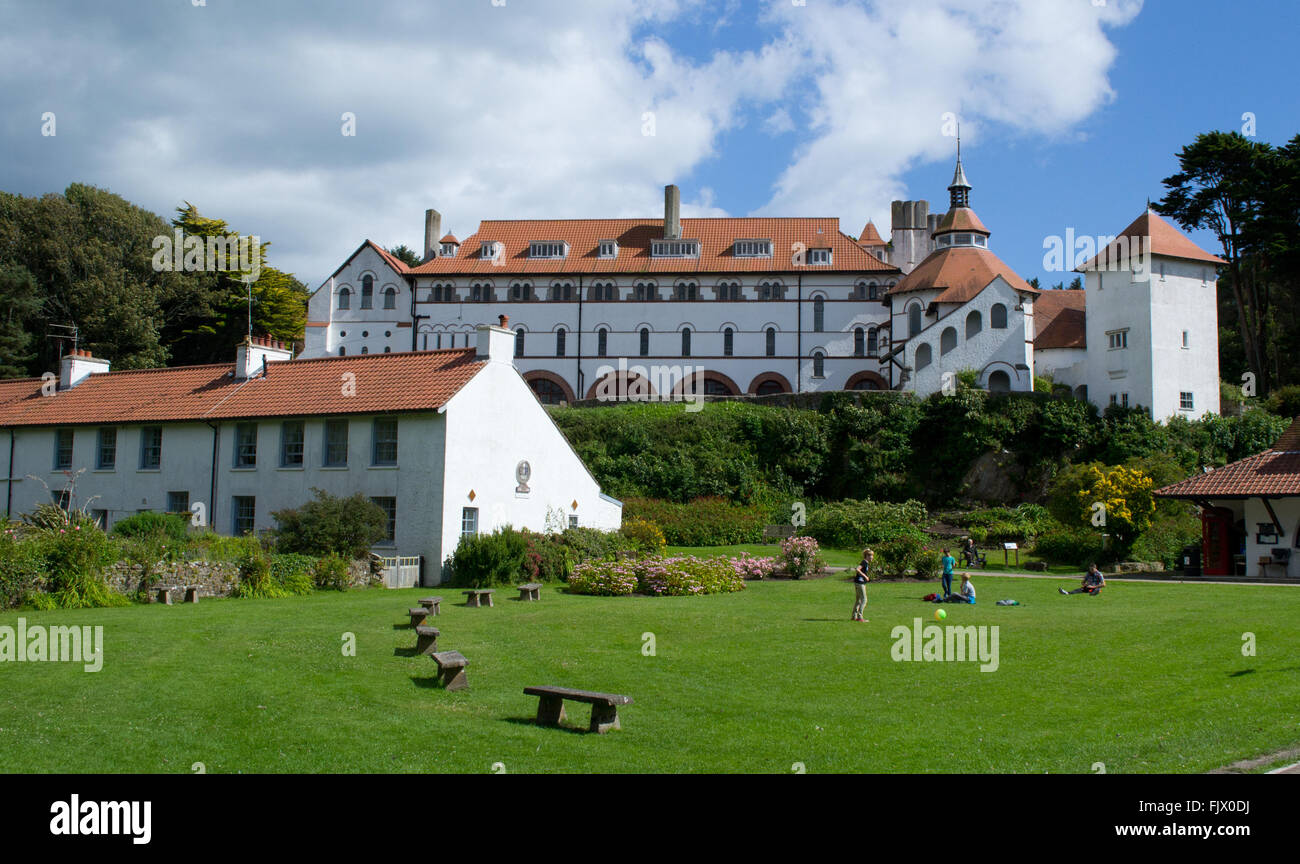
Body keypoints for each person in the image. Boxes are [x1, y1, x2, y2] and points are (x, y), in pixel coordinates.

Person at [852, 549, 872, 622]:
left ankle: (854, 616)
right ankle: (860, 617)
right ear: (866, 556)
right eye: (870, 555)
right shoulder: (864, 562)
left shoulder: (866, 563)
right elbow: (857, 569)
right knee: (864, 600)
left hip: (858, 582)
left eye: (872, 555)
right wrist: (865, 576)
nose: (872, 557)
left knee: (858, 600)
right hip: (860, 583)